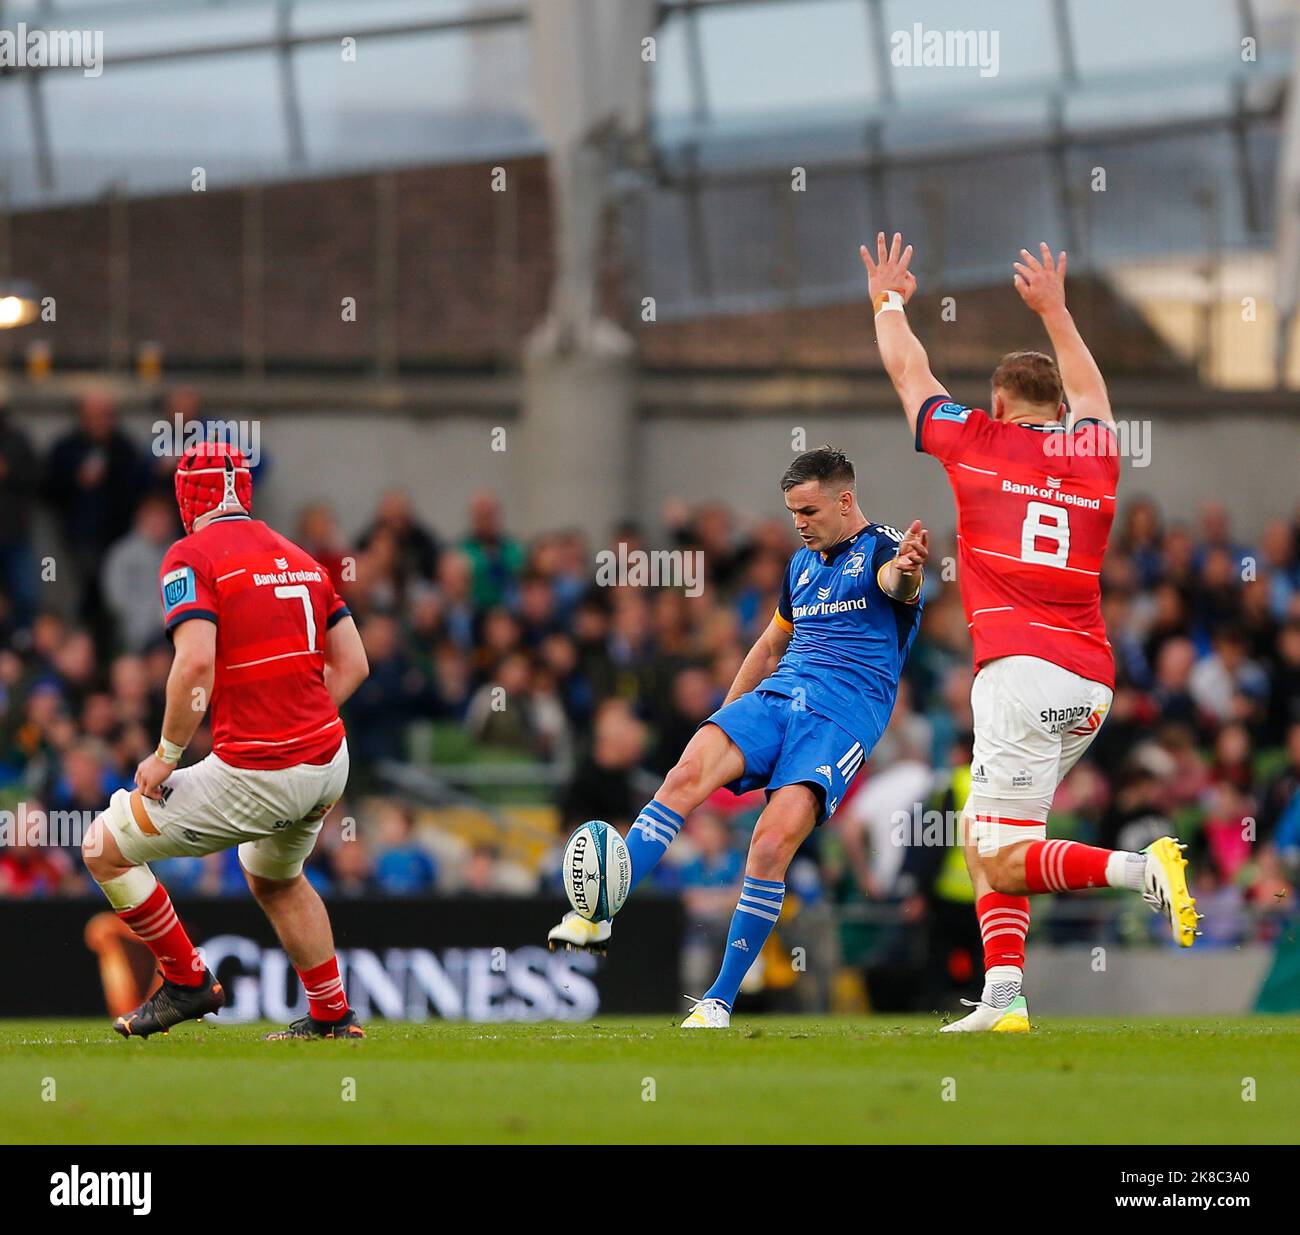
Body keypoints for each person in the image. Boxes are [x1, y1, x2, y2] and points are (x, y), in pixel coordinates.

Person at [862, 231, 1198, 1033]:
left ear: (1001, 403)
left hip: (1019, 674)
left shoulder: (975, 442)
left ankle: (1139, 866)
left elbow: (907, 368)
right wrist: (1055, 309)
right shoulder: (1095, 456)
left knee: (1004, 851)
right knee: (986, 836)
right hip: (1090, 682)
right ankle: (1005, 996)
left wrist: (888, 298)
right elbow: (1094, 392)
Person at [548, 445, 928, 1028]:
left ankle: (719, 1000)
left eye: (809, 511)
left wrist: (910, 570)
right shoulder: (801, 567)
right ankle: (600, 912)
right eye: (792, 513)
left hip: (841, 719)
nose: (799, 524)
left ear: (844, 500)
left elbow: (898, 585)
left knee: (771, 844)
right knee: (684, 774)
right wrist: (726, 718)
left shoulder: (883, 550)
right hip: (778, 698)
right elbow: (772, 646)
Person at [79, 442, 370, 1040]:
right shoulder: (300, 557)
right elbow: (356, 664)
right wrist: (301, 715)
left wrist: (165, 756)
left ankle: (187, 981)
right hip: (325, 761)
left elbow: (193, 666)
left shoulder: (190, 555)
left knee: (101, 848)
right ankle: (332, 1017)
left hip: (260, 773)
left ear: (189, 496)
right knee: (276, 878)